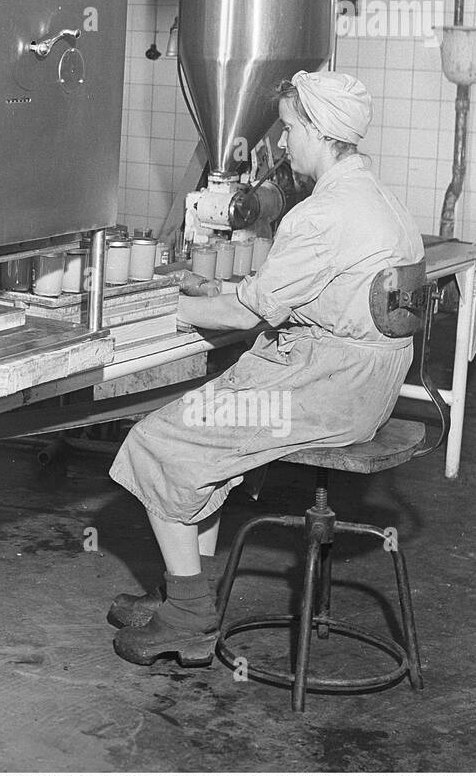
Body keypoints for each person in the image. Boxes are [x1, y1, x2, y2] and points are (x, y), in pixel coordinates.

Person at [107, 69, 423, 667]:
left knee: (159, 440)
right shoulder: (376, 197)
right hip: (367, 383)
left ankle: (190, 617)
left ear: (322, 132)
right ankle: (184, 587)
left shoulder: (321, 215)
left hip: (326, 388)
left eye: (291, 127)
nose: (280, 142)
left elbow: (244, 310)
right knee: (205, 436)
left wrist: (165, 305)